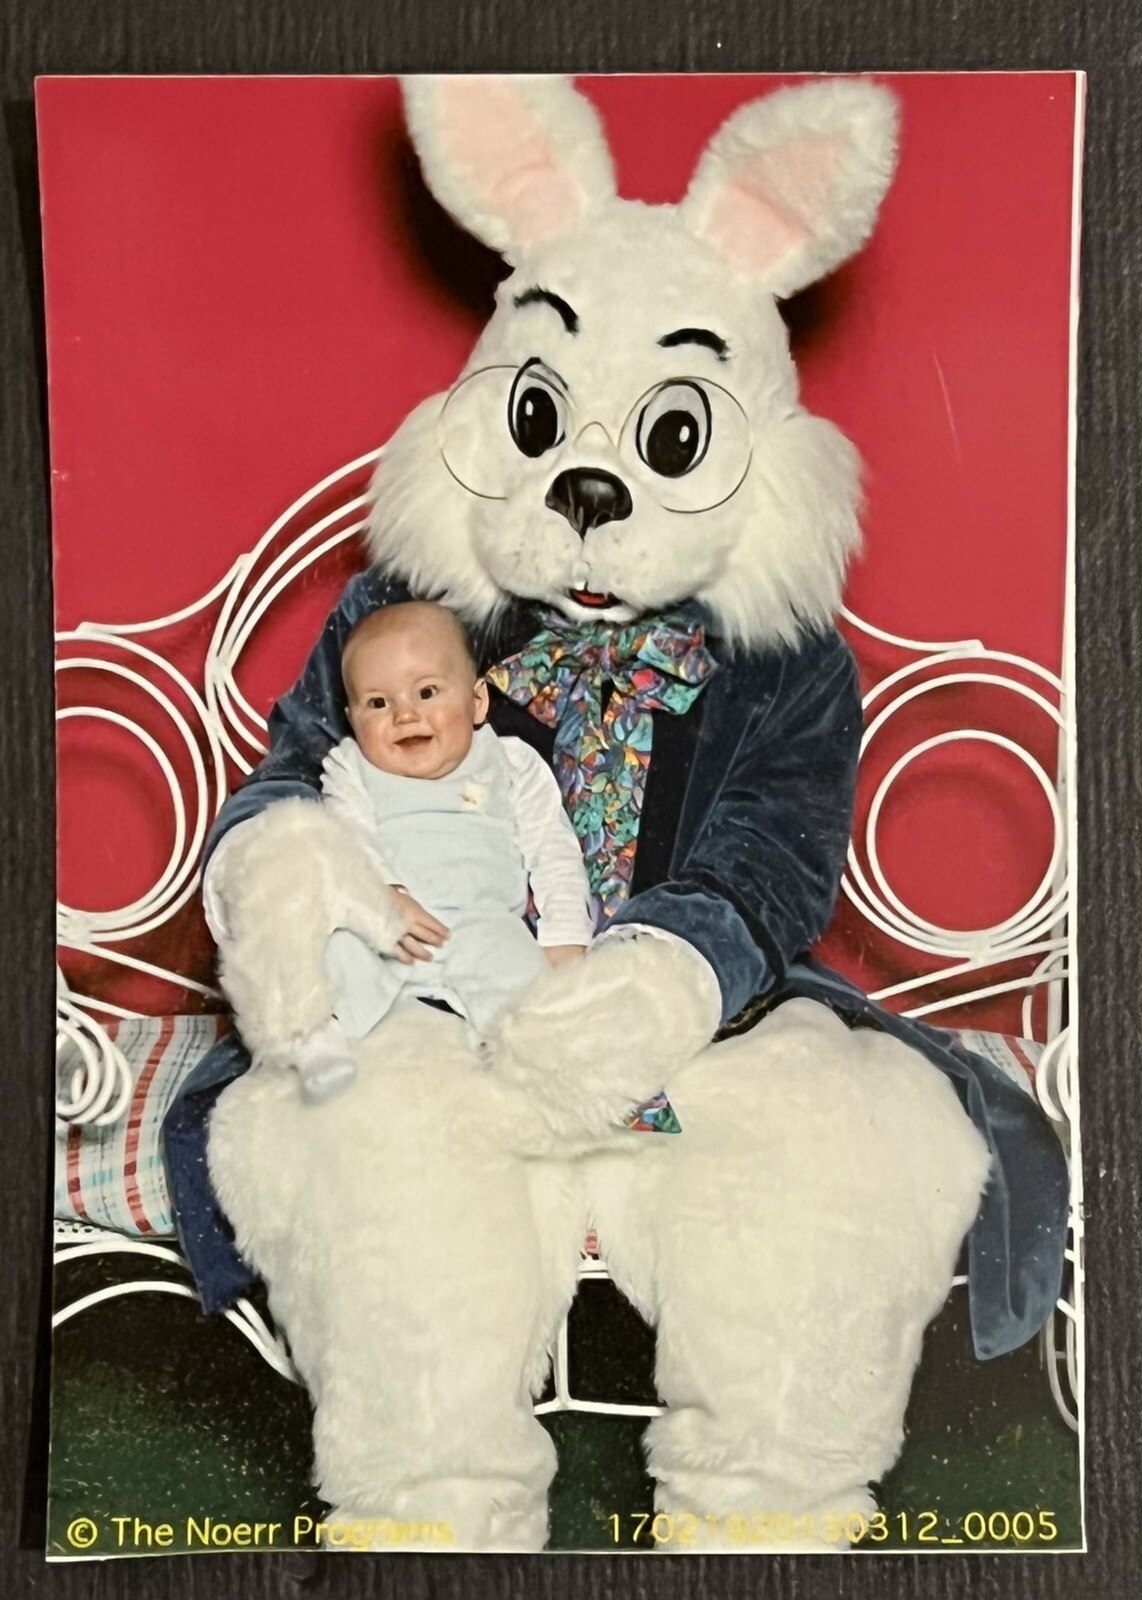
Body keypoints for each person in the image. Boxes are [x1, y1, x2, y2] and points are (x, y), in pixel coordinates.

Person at [262, 600, 595, 1102]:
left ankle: (520, 1066)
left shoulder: (510, 763)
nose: (404, 714)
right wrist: (384, 897)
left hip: (484, 924)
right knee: (332, 950)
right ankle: (319, 1041)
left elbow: (552, 849)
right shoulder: (350, 767)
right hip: (388, 926)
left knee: (526, 985)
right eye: (378, 703)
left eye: (427, 691)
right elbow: (347, 838)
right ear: (352, 719)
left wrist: (566, 936)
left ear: (477, 700)